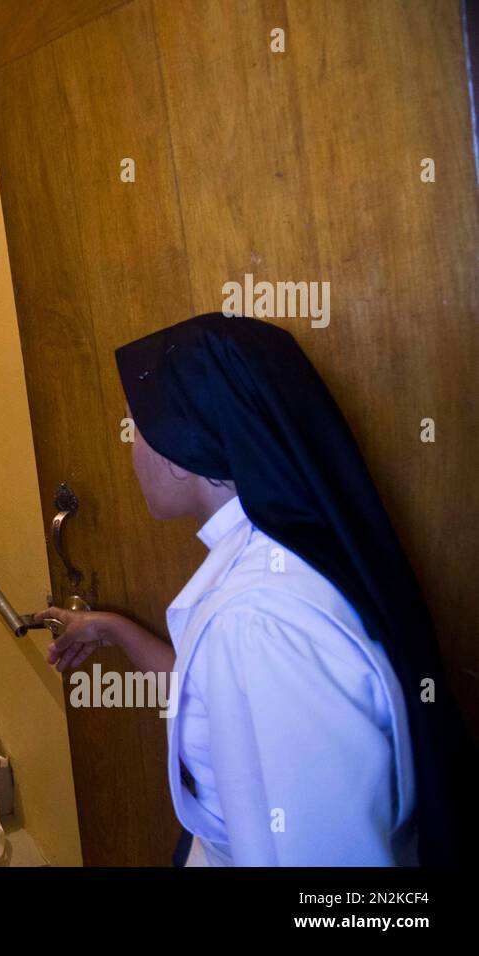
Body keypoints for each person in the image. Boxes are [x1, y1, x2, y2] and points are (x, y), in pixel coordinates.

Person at [35, 313, 477, 866]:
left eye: (133, 431)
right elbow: (231, 706)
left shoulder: (260, 619)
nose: (131, 454)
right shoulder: (281, 555)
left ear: (181, 445)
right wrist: (114, 630)